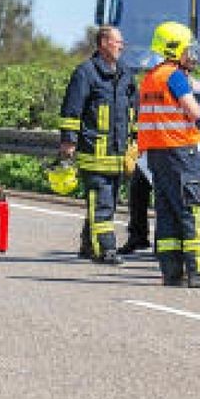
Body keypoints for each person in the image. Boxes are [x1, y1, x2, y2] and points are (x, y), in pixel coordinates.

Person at [138, 21, 200, 288]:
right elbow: (195, 112)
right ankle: (199, 270)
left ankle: (172, 271)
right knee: (194, 209)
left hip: (157, 154)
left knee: (167, 212)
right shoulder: (175, 76)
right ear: (174, 50)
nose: (193, 56)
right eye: (189, 50)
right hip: (180, 151)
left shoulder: (150, 78)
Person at [59, 26, 138, 265]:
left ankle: (87, 243)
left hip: (117, 155)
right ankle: (105, 250)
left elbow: (134, 110)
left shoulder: (125, 74)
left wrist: (135, 140)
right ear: (103, 43)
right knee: (102, 202)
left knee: (105, 201)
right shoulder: (85, 72)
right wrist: (68, 142)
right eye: (117, 42)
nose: (121, 46)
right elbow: (72, 110)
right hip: (94, 152)